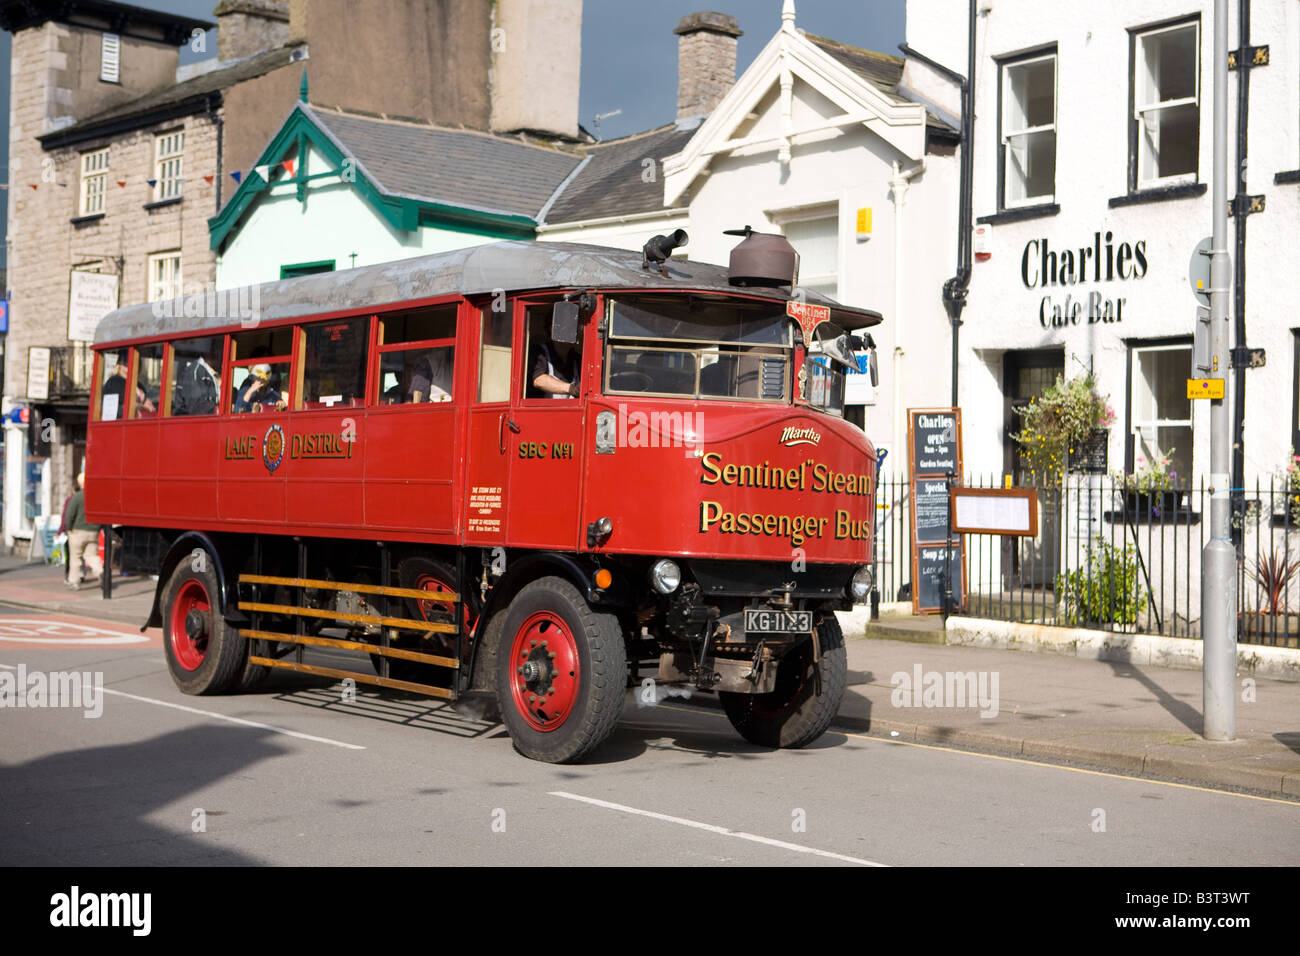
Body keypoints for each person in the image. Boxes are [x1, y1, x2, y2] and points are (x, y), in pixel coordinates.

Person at [64, 472, 102, 591]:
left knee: (75, 557)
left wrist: (68, 528)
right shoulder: (96, 496)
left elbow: (69, 514)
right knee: (92, 556)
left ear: (80, 484)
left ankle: (74, 582)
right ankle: (100, 573)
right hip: (93, 531)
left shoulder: (77, 496)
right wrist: (98, 527)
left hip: (78, 531)